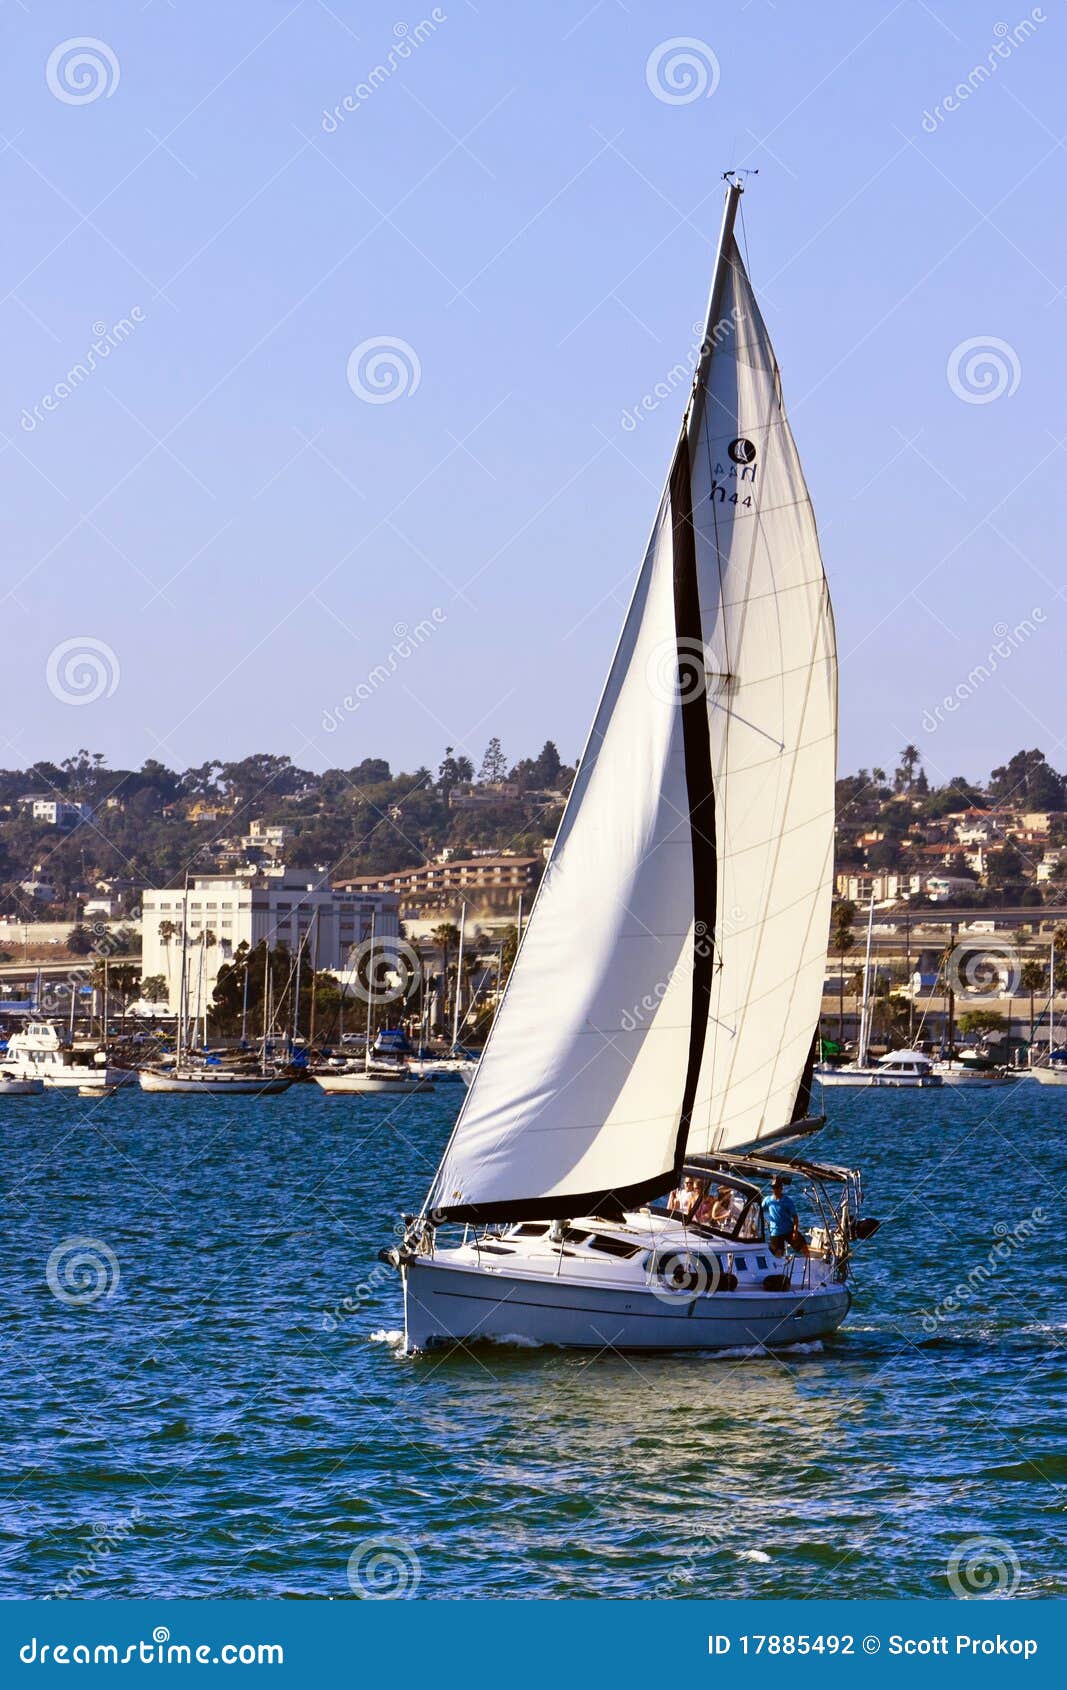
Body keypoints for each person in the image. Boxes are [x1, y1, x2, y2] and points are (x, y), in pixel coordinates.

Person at [761, 1175, 808, 1259]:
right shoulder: (768, 1200)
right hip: (775, 1232)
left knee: (803, 1245)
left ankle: (808, 1262)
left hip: (788, 1230)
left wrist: (795, 1231)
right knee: (777, 1254)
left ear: (781, 1188)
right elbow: (759, 1209)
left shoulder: (787, 1201)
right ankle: (779, 1269)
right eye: (773, 1187)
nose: (774, 1189)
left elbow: (795, 1217)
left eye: (777, 1187)